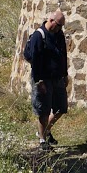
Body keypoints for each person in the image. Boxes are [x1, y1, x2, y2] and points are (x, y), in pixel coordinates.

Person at [22, 10, 68, 148]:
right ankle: (42, 140)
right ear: (51, 20)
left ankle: (46, 132)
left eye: (61, 26)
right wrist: (39, 81)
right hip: (43, 78)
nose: (60, 28)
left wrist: (65, 74)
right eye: (59, 25)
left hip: (57, 77)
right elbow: (35, 61)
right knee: (44, 110)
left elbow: (63, 55)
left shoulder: (59, 35)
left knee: (61, 108)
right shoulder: (38, 36)